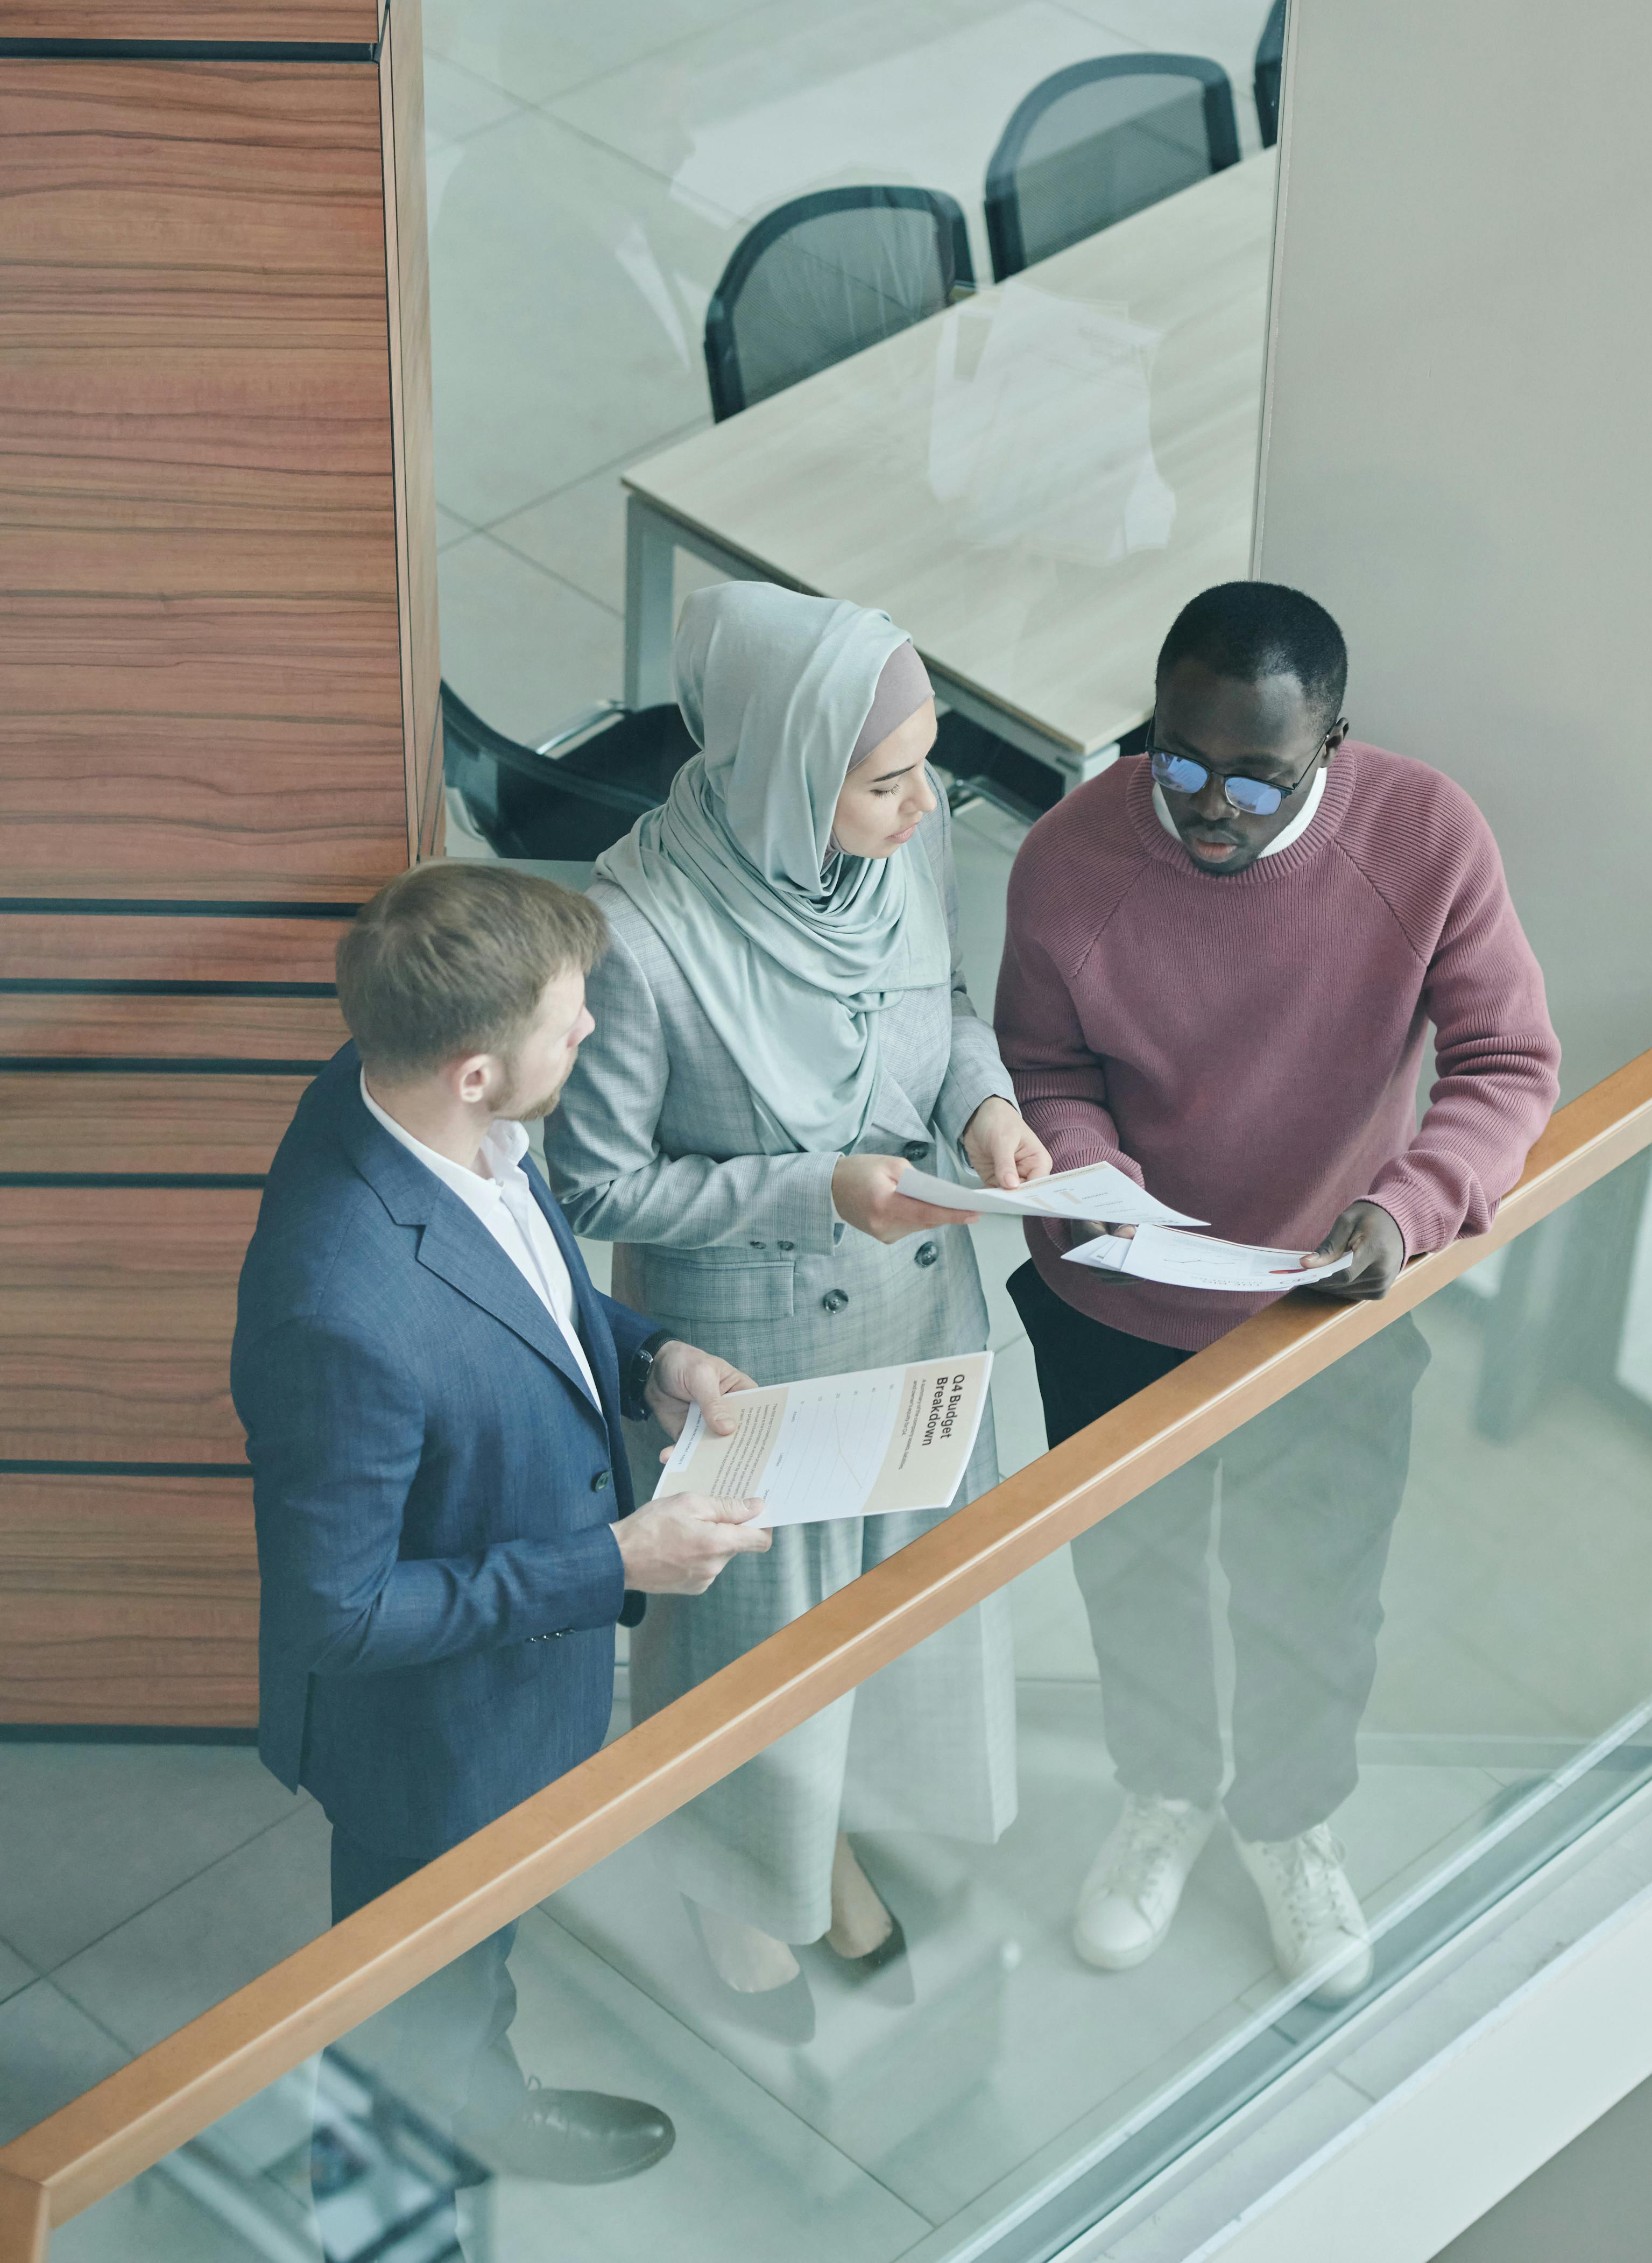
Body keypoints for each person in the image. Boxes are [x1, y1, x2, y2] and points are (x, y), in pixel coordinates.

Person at [994, 582, 1559, 1998]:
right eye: (1176, 760)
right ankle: (1163, 1795)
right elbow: (1044, 1070)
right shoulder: (1071, 859)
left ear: (1332, 745)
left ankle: (1289, 1820)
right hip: (1113, 1301)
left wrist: (1406, 1205)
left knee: (1315, 1597)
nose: (1208, 806)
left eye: (1257, 775)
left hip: (1327, 1301)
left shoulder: (1423, 836)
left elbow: (1506, 1062)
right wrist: (1089, 1172)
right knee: (1135, 1576)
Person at [548, 582, 1049, 2033]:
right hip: (756, 1354)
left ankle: (825, 1831)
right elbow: (597, 1188)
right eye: (884, 780)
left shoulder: (910, 845)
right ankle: (736, 1870)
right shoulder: (634, 933)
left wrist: (988, 1107)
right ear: (782, 764)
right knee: (760, 1633)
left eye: (922, 772)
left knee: (895, 1602)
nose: (918, 809)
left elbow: (943, 1003)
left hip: (919, 1310)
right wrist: (814, 1190)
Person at [232, 861, 769, 2209]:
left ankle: (474, 2106)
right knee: (408, 1987)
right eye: (566, 1019)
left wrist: (647, 1359)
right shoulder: (336, 1307)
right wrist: (615, 1563)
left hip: (510, 1695)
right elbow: (334, 1613)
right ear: (475, 1068)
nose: (588, 1029)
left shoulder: (428, 1112)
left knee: (465, 1963)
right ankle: (373, 2216)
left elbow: (526, 1299)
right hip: (431, 1740)